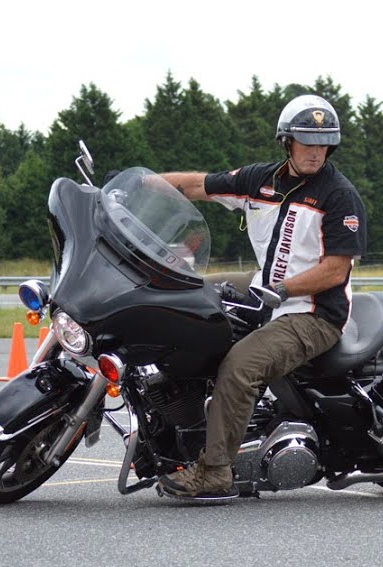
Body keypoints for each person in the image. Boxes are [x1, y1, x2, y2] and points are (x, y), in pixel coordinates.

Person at [153, 94, 368, 500]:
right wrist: (134, 188)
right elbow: (195, 184)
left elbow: (336, 270)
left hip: (313, 312)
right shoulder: (261, 181)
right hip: (267, 289)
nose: (315, 151)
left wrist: (281, 290)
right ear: (287, 141)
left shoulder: (339, 196)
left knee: (239, 367)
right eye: (306, 141)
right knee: (187, 293)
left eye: (323, 144)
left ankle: (215, 471)